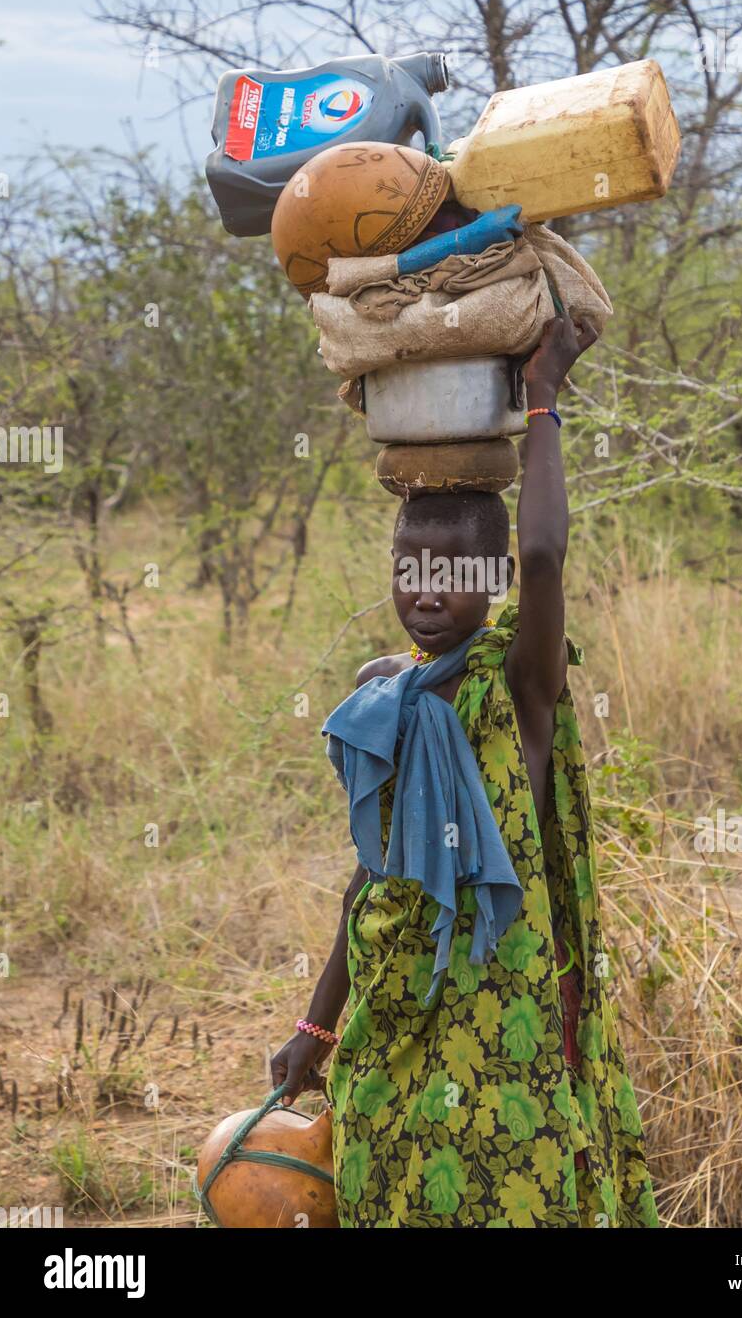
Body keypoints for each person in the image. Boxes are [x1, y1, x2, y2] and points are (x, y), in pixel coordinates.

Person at [271, 312, 659, 1228]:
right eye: (409, 570)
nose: (426, 592)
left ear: (492, 580)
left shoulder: (521, 683)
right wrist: (315, 1028)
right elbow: (371, 877)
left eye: (452, 572)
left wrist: (540, 402)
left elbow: (546, 552)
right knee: (384, 1197)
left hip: (498, 1018)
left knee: (512, 1200)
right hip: (391, 1010)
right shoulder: (382, 693)